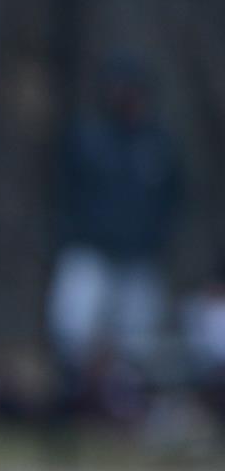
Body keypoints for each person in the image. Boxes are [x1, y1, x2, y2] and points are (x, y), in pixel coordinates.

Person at [47, 53, 186, 423]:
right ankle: (72, 404)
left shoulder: (158, 144)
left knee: (139, 342)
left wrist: (154, 239)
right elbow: (65, 193)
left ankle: (130, 411)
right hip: (92, 252)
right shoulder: (89, 139)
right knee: (73, 328)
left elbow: (174, 201)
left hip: (140, 258)